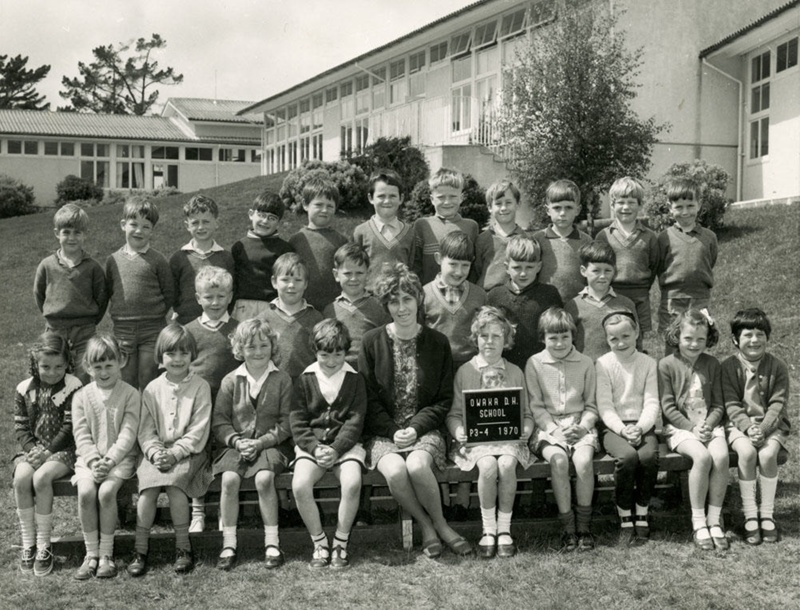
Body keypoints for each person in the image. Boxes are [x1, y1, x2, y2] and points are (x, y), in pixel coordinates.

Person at [358, 263, 472, 558]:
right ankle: (429, 526)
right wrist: (394, 431)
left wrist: (415, 429)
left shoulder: (437, 342)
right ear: (386, 304)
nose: (401, 307)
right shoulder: (371, 342)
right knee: (396, 470)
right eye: (394, 301)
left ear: (418, 300)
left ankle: (442, 526)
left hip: (425, 429)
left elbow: (443, 399)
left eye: (407, 299)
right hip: (384, 432)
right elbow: (368, 399)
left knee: (418, 466)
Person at [446, 306, 533, 558]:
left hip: (509, 440)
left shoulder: (515, 371)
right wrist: (459, 430)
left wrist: (526, 430)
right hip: (476, 443)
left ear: (506, 340)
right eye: (484, 336)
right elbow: (453, 414)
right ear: (476, 339)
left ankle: (504, 529)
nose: (490, 342)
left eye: (496, 336)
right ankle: (488, 528)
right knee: (487, 466)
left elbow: (525, 413)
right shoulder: (466, 371)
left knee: (506, 465)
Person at [128, 325, 212, 577]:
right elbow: (145, 429)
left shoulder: (200, 386)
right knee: (148, 490)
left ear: (192, 355)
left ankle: (183, 547)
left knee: (176, 486)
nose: (177, 359)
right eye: (171, 353)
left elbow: (199, 428)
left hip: (189, 452)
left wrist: (176, 453)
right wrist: (154, 452)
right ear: (160, 356)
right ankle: (140, 549)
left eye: (184, 353)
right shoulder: (152, 388)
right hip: (156, 451)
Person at [212, 318, 293, 570]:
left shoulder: (282, 379)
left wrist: (261, 442)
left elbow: (286, 423)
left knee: (264, 479)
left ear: (272, 347)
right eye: (250, 347)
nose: (258, 352)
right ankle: (229, 543)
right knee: (229, 480)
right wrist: (236, 441)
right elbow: (220, 422)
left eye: (263, 346)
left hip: (271, 446)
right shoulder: (230, 381)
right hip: (236, 446)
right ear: (239, 350)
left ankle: (271, 542)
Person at [291, 319, 367, 569]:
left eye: (338, 354)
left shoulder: (356, 379)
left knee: (353, 483)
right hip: (312, 445)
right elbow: (298, 420)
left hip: (345, 446)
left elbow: (355, 420)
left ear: (346, 352)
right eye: (325, 355)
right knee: (300, 485)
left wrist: (336, 449)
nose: (332, 361)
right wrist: (314, 448)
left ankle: (341, 543)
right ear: (315, 351)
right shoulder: (305, 378)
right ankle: (320, 542)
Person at [526, 307, 598, 551]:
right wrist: (553, 430)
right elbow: (535, 406)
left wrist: (583, 427)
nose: (559, 343)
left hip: (579, 424)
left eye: (564, 337)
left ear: (573, 336)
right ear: (543, 338)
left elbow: (591, 405)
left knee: (584, 462)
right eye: (552, 338)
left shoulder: (586, 363)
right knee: (558, 460)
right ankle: (567, 526)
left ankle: (584, 526)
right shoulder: (534, 363)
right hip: (547, 427)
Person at [658, 309, 729, 551]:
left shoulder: (712, 364)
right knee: (702, 456)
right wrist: (691, 427)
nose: (694, 344)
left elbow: (719, 403)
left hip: (710, 425)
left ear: (708, 338)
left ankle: (714, 518)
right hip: (680, 428)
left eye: (700, 339)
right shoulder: (667, 365)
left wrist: (708, 424)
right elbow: (667, 407)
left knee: (720, 456)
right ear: (677, 336)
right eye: (688, 338)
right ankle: (698, 521)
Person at [71, 335, 140, 580]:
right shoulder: (81, 396)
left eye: (109, 365)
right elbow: (80, 433)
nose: (103, 372)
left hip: (119, 460)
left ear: (121, 362)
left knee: (106, 493)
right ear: (88, 367)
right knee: (87, 493)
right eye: (97, 366)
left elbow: (128, 433)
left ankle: (107, 554)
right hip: (89, 460)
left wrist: (109, 461)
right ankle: (91, 554)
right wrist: (92, 461)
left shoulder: (130, 394)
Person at [13, 333, 81, 576]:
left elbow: (69, 427)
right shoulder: (25, 389)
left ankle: (44, 544)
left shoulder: (73, 387)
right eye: (45, 367)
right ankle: (28, 542)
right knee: (21, 478)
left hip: (63, 451)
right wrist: (33, 450)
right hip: (33, 450)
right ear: (35, 363)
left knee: (41, 478)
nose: (52, 372)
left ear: (67, 364)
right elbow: (21, 426)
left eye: (59, 367)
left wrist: (47, 452)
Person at [722, 308, 791, 545]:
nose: (754, 340)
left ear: (767, 337)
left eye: (760, 334)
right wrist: (747, 427)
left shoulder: (778, 366)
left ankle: (767, 515)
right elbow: (730, 403)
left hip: (772, 425)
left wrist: (763, 429)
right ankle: (750, 515)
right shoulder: (728, 367)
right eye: (747, 335)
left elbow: (778, 403)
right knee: (748, 452)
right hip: (738, 425)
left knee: (769, 454)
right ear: (735, 340)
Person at [595, 312, 660, 546]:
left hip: (642, 424)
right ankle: (624, 514)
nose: (621, 343)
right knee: (628, 456)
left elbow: (652, 402)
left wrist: (640, 428)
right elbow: (604, 405)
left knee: (648, 456)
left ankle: (641, 509)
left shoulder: (648, 363)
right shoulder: (603, 364)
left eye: (626, 336)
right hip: (614, 427)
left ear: (637, 334)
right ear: (607, 340)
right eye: (614, 339)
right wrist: (623, 430)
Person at [184, 265, 240, 533]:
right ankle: (197, 509)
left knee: (225, 454)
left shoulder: (238, 329)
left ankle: (223, 508)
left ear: (230, 296)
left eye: (221, 296)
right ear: (198, 298)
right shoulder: (188, 331)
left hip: (232, 404)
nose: (215, 303)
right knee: (199, 453)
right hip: (199, 404)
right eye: (208, 297)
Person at [105, 196, 174, 390]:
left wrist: (155, 313)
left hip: (152, 329)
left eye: (146, 226)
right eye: (134, 224)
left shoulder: (158, 260)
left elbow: (169, 292)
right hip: (123, 330)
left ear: (152, 230)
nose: (139, 231)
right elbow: (109, 290)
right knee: (126, 379)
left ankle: (149, 417)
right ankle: (130, 417)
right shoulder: (113, 260)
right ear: (123, 225)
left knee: (148, 376)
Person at [33, 203, 108, 383]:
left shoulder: (93, 267)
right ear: (57, 233)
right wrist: (53, 315)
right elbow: (39, 294)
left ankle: (79, 411)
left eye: (77, 232)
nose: (71, 237)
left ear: (85, 234)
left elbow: (102, 298)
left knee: (82, 376)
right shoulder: (47, 265)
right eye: (66, 232)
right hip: (55, 330)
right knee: (54, 375)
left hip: (84, 331)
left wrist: (88, 320)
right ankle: (55, 411)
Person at [595, 177, 659, 342]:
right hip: (612, 295)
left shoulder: (649, 237)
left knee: (636, 339)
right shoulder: (604, 236)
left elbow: (654, 265)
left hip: (640, 296)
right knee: (612, 338)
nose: (626, 207)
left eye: (631, 202)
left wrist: (642, 284)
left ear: (639, 205)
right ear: (612, 205)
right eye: (621, 202)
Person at [487, 234, 562, 370]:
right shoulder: (494, 296)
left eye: (529, 267)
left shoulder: (549, 294)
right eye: (517, 267)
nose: (523, 273)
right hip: (504, 367)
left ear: (539, 267)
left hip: (541, 368)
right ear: (506, 267)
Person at [656, 177, 717, 335]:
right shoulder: (664, 238)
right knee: (673, 341)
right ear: (670, 207)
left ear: (699, 205)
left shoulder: (709, 237)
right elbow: (658, 265)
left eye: (690, 206)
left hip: (700, 298)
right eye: (679, 207)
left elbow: (710, 260)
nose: (685, 212)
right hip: (672, 300)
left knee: (697, 340)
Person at [422, 232, 487, 370]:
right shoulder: (423, 294)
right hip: (435, 366)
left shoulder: (480, 295)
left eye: (465, 265)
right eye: (453, 264)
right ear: (438, 258)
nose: (458, 272)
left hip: (470, 367)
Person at [565, 241, 638, 360]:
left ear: (614, 271)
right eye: (596, 271)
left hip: (620, 369)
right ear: (584, 271)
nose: (602, 276)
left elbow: (636, 341)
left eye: (607, 271)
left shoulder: (626, 304)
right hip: (586, 370)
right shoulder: (573, 306)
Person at [323, 242, 390, 370]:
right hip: (338, 371)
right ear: (336, 275)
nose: (353, 279)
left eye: (359, 273)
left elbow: (386, 345)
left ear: (368, 274)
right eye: (347, 274)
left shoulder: (379, 307)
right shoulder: (329, 310)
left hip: (368, 372)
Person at [170, 195, 235, 326]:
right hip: (186, 323)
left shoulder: (226, 258)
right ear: (187, 225)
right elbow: (172, 292)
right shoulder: (179, 258)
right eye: (195, 222)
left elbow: (232, 291)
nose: (200, 227)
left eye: (206, 222)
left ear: (216, 223)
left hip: (218, 322)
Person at [231, 190, 293, 321]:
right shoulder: (239, 246)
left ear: (279, 222)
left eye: (272, 218)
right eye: (261, 215)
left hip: (273, 307)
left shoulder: (285, 249)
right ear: (251, 214)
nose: (265, 221)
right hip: (243, 308)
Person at [288, 177, 348, 312]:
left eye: (330, 206)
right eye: (319, 205)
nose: (324, 210)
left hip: (334, 308)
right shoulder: (296, 240)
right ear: (305, 204)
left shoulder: (342, 241)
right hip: (302, 309)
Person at [261, 252, 324, 379]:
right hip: (273, 385)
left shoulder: (317, 319)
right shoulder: (263, 319)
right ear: (274, 282)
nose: (291, 285)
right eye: (285, 280)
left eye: (298, 280)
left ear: (306, 283)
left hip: (307, 386)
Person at [412, 167, 480, 285]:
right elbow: (415, 264)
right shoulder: (422, 225)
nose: (447, 202)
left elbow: (474, 267)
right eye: (441, 197)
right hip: (428, 296)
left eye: (453, 196)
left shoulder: (471, 227)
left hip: (463, 296)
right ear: (432, 199)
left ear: (461, 198)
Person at [353, 169, 414, 291]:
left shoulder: (410, 233)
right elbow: (354, 268)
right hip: (369, 300)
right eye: (381, 196)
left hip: (399, 300)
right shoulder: (361, 232)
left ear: (401, 198)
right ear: (371, 198)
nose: (387, 201)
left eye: (392, 196)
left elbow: (413, 269)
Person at [532, 179, 593, 303]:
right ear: (548, 210)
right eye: (557, 208)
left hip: (578, 304)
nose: (562, 213)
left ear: (578, 209)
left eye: (569, 207)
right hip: (545, 305)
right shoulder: (538, 239)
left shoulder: (586, 241)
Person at [474, 180, 529, 291]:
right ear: (490, 207)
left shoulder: (527, 240)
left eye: (508, 202)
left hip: (516, 297)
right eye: (498, 203)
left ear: (518, 204)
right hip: (487, 299)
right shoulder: (482, 239)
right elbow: (476, 271)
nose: (503, 208)